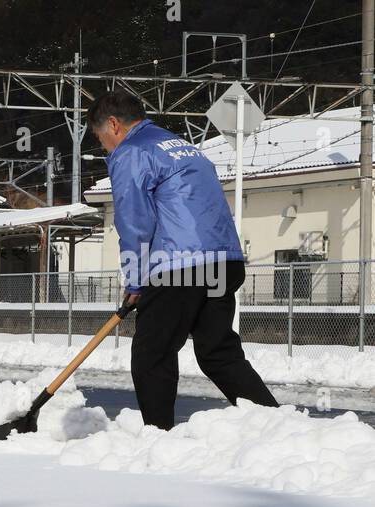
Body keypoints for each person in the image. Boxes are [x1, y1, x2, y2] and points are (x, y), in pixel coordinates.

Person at [89, 91, 277, 430]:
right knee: (218, 352)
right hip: (224, 260)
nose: (104, 146)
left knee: (152, 355)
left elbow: (135, 222)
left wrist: (135, 280)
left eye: (101, 137)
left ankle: (159, 438)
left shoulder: (131, 152)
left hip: (180, 266)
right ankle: (276, 424)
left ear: (113, 125)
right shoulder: (183, 146)